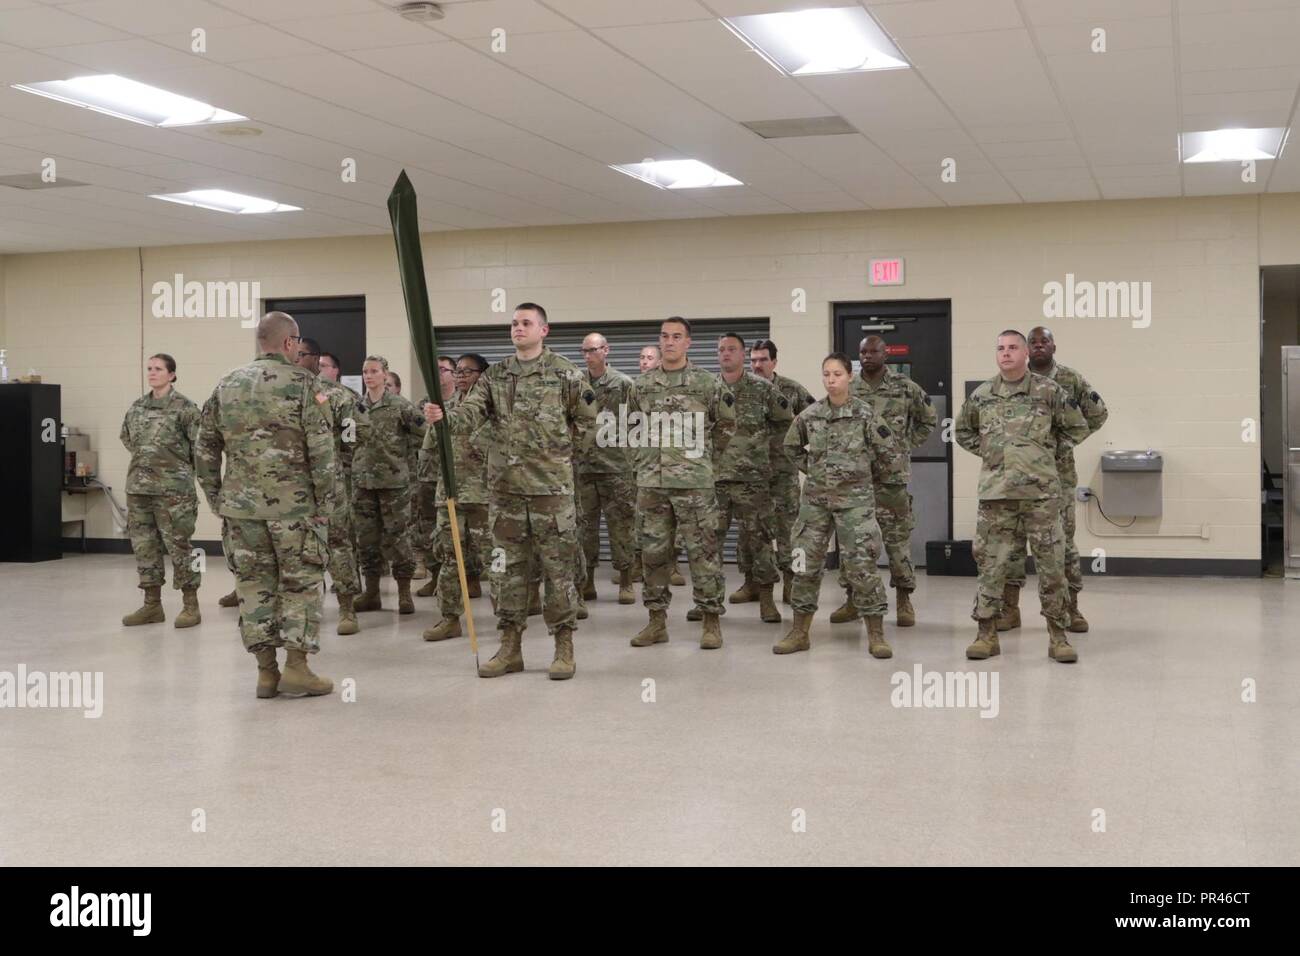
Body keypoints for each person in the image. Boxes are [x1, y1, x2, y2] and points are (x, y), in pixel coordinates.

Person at [427, 303, 596, 679]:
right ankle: (509, 648)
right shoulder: (497, 375)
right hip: (504, 495)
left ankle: (563, 646)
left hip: (551, 493)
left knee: (558, 572)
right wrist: (445, 418)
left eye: (525, 323)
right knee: (506, 571)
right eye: (514, 323)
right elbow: (471, 413)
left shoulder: (566, 374)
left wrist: (560, 462)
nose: (518, 328)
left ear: (543, 330)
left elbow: (587, 425)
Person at [195, 312, 336, 698]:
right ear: (290, 343)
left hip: (241, 511)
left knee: (253, 587)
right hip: (295, 510)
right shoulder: (306, 384)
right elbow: (322, 451)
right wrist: (326, 504)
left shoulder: (227, 384)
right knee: (301, 583)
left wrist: (217, 498)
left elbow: (204, 448)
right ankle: (297, 668)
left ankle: (265, 673)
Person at [954, 330, 1090, 663]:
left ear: (1026, 352)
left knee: (1051, 565)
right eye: (1000, 348)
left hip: (1041, 495)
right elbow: (963, 431)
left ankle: (1058, 637)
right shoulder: (983, 394)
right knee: (991, 565)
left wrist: (1044, 452)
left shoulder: (1049, 391)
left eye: (1013, 347)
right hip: (996, 495)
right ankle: (986, 634)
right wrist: (992, 452)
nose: (1005, 353)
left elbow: (1077, 426)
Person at [627, 317, 736, 650]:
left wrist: (703, 462)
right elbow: (631, 427)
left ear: (688, 342)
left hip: (695, 485)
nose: (669, 342)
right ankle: (656, 622)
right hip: (652, 484)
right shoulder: (641, 385)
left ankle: (711, 622)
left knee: (703, 553)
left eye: (676, 337)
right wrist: (641, 463)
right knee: (653, 554)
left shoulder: (707, 384)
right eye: (664, 336)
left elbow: (727, 426)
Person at [777, 352, 894, 658]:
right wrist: (813, 470)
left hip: (855, 504)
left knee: (862, 565)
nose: (831, 380)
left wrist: (862, 478)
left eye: (837, 374)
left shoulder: (865, 414)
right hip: (815, 502)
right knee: (804, 565)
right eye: (826, 374)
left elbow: (887, 453)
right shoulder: (810, 415)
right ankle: (800, 632)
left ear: (849, 376)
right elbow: (790, 446)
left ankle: (876, 634)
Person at [999, 326, 1108, 632]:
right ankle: (1010, 608)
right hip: (1016, 478)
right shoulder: (1013, 379)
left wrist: (1064, 443)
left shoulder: (1070, 380)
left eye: (1043, 341)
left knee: (1062, 546)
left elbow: (1098, 413)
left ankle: (1070, 609)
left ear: (1053, 345)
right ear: (1025, 349)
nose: (1038, 346)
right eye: (1032, 342)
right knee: (1013, 544)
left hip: (1056, 477)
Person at [829, 335, 937, 627]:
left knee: (897, 542)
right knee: (853, 543)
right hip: (855, 478)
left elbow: (929, 419)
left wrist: (903, 445)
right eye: (863, 351)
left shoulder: (904, 387)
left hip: (891, 479)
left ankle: (904, 599)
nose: (867, 356)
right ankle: (853, 599)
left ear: (885, 354)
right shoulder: (849, 387)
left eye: (873, 351)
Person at [701, 332, 793, 624]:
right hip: (713, 481)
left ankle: (766, 600)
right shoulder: (706, 389)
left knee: (760, 542)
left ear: (743, 355)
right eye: (721, 350)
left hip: (753, 481)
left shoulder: (763, 389)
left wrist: (771, 461)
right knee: (707, 544)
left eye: (732, 349)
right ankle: (708, 602)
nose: (726, 354)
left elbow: (786, 423)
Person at [119, 353, 203, 628]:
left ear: (172, 374)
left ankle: (191, 605)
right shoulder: (137, 407)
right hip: (139, 489)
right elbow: (128, 438)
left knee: (180, 547)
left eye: (158, 369)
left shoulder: (186, 408)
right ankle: (152, 605)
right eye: (149, 369)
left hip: (173, 491)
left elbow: (200, 448)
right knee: (144, 547)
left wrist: (173, 468)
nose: (152, 373)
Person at [295, 336, 368, 635]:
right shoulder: (286, 392)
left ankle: (347, 607)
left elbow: (355, 434)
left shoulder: (339, 396)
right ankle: (301, 607)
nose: (297, 359)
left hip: (330, 482)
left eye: (302, 355)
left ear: (315, 358)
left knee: (338, 544)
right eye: (294, 353)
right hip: (293, 485)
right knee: (297, 547)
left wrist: (337, 460)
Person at [420, 353, 494, 642]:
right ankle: (450, 618)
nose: (461, 376)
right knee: (451, 558)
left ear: (483, 375)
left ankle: (507, 620)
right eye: (458, 371)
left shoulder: (492, 408)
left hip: (484, 496)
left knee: (494, 560)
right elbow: (429, 448)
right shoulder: (444, 408)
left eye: (468, 371)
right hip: (450, 494)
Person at [352, 355, 427, 615]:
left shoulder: (400, 406)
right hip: (363, 484)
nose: (369, 376)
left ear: (385, 375)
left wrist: (410, 464)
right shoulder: (355, 408)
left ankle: (404, 593)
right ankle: (371, 592)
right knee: (366, 540)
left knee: (398, 539)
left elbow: (425, 434)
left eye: (374, 371)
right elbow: (346, 441)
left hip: (394, 484)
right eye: (365, 371)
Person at [744, 338, 813, 605]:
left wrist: (797, 448)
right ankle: (755, 585)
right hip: (751, 475)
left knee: (788, 531)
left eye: (763, 359)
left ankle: (790, 583)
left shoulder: (791, 389)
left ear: (774, 361)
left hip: (783, 473)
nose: (757, 365)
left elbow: (814, 418)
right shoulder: (743, 389)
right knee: (753, 532)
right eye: (753, 360)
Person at [576, 333, 637, 605]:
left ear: (606, 350)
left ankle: (626, 581)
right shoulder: (575, 385)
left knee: (621, 527)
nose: (588, 355)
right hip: (584, 468)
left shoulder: (623, 384)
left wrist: (634, 461)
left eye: (593, 350)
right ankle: (586, 582)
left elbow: (638, 423)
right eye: (584, 351)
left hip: (617, 468)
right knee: (584, 528)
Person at [414, 355, 459, 597]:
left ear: (453, 374)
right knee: (428, 526)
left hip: (454, 475)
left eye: (443, 369)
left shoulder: (463, 402)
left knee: (456, 530)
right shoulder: (423, 404)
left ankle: (466, 578)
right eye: (435, 369)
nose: (439, 373)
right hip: (428, 474)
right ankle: (435, 577)